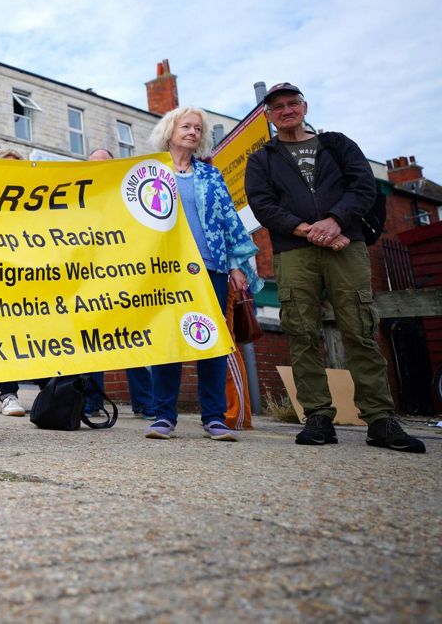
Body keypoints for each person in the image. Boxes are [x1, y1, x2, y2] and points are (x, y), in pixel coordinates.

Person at [245, 83, 425, 453]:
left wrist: (336, 222)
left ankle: (380, 419)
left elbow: (363, 187)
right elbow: (263, 206)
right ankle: (317, 417)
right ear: (268, 115)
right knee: (301, 331)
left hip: (347, 245)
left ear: (305, 106)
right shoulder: (262, 158)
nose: (286, 110)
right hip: (295, 250)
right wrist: (313, 231)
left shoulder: (338, 144)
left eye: (292, 103)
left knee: (359, 327)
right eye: (277, 107)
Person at [144, 106, 261, 441]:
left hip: (211, 267)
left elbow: (228, 221)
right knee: (169, 341)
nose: (193, 132)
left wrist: (238, 266)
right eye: (186, 126)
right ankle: (164, 416)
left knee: (211, 342)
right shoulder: (149, 171)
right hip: (166, 270)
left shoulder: (211, 176)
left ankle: (214, 417)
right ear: (170, 130)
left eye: (198, 128)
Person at [86, 147, 154, 419]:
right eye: (93, 164)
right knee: (92, 344)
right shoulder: (81, 197)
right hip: (90, 281)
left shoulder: (129, 196)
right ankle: (92, 403)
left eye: (104, 163)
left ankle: (145, 403)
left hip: (126, 278)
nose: (99, 167)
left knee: (133, 341)